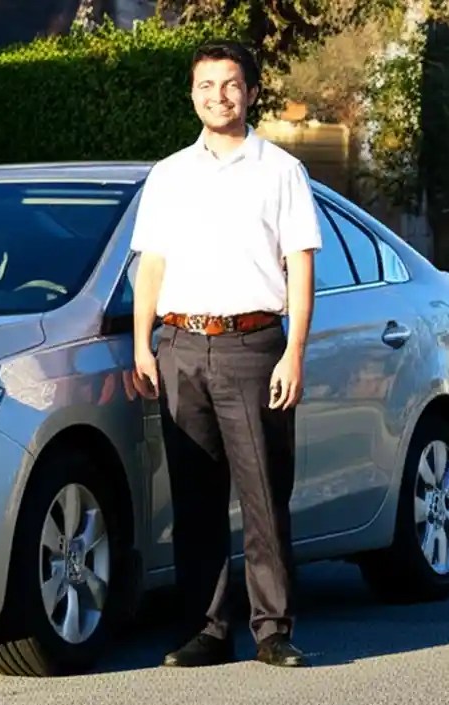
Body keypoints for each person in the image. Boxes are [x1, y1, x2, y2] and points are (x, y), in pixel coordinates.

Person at [129, 39, 322, 669]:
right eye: (207, 85)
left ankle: (273, 631)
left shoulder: (281, 171)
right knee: (195, 499)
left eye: (231, 84)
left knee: (264, 495)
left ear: (252, 91)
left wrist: (293, 351)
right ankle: (206, 631)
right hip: (181, 346)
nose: (219, 96)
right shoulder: (168, 175)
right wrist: (143, 346)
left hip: (253, 346)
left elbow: (299, 266)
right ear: (192, 94)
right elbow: (151, 266)